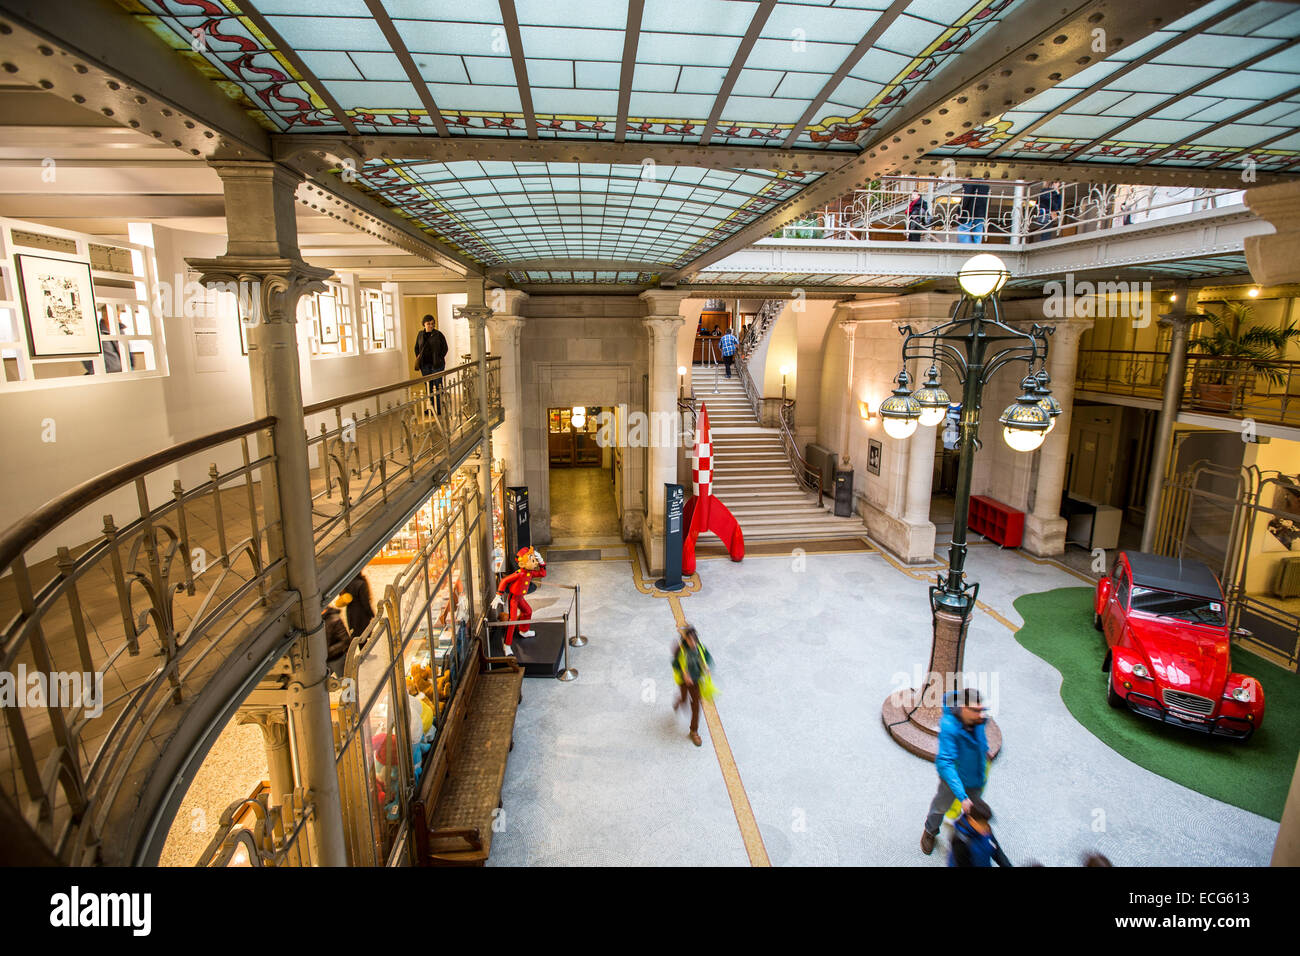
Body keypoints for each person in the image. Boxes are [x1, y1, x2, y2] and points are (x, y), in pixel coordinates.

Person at [921, 687, 993, 855]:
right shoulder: (949, 726)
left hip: (975, 779)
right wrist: (962, 796)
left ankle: (965, 838)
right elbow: (945, 763)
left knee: (973, 813)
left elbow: (980, 743)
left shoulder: (979, 721)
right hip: (953, 781)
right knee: (940, 807)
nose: (980, 714)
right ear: (962, 707)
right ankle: (930, 831)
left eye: (981, 710)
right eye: (975, 710)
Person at [671, 624, 715, 747]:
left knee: (696, 705)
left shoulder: (700, 647)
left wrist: (707, 667)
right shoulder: (681, 650)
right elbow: (675, 664)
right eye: (689, 640)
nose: (692, 643)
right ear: (686, 639)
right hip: (684, 682)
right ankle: (680, 700)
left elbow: (708, 659)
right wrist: (684, 674)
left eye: (694, 640)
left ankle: (693, 731)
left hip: (696, 681)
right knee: (684, 699)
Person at [949, 797, 1012, 867]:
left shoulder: (985, 830)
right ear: (971, 820)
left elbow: (996, 850)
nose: (987, 828)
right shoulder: (960, 841)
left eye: (987, 823)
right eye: (983, 824)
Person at [413, 314, 448, 413]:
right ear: (424, 324)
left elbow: (445, 348)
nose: (431, 326)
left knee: (438, 386)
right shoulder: (420, 334)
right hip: (425, 366)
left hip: (437, 365)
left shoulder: (438, 334)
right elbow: (416, 348)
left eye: (432, 324)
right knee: (428, 386)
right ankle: (431, 407)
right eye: (428, 324)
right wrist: (419, 358)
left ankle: (439, 408)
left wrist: (439, 358)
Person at [323, 602, 352, 677]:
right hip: (323, 661)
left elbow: (346, 640)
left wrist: (329, 650)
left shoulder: (334, 619)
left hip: (337, 658)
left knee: (347, 683)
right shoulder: (314, 623)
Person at [341, 573, 374, 637]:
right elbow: (365, 601)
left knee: (355, 635)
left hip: (350, 613)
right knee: (364, 636)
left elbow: (342, 597)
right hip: (361, 614)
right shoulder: (361, 583)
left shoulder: (346, 584)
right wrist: (371, 613)